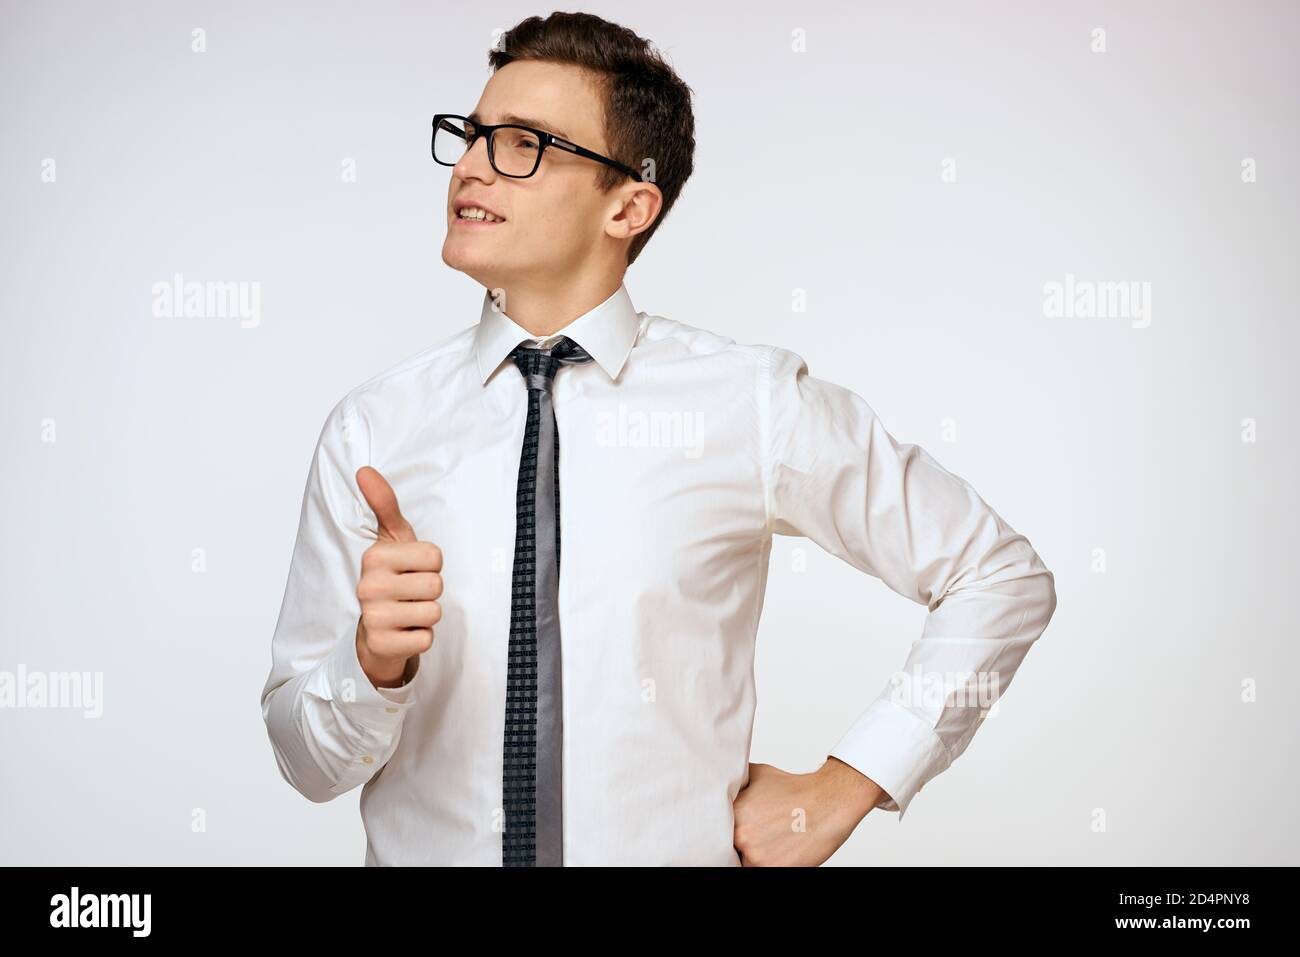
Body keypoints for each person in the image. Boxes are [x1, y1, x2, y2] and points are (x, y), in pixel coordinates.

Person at [259, 11, 1057, 867]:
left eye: (524, 143)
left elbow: (999, 573)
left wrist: (851, 781)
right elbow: (306, 764)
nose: (473, 165)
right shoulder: (374, 428)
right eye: (474, 134)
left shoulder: (747, 402)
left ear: (629, 204)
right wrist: (371, 666)